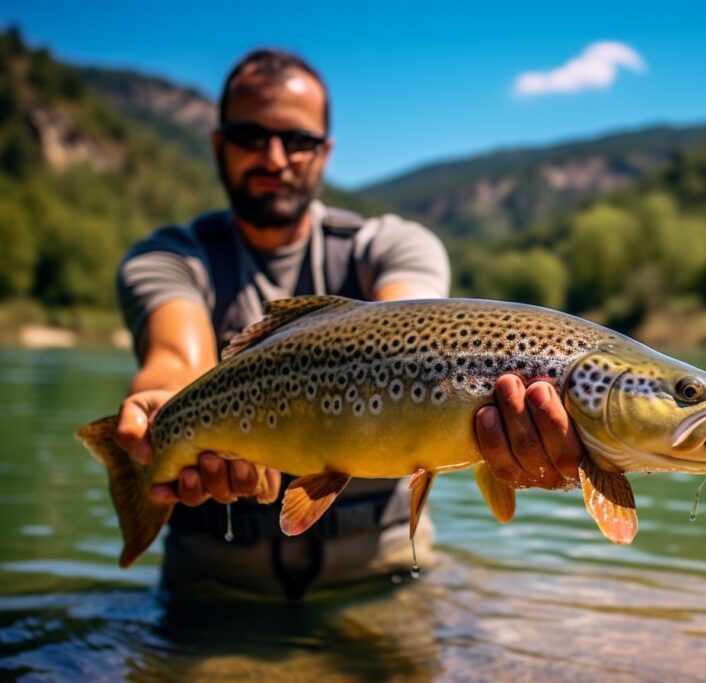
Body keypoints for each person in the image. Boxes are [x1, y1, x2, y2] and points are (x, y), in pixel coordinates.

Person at [114, 49, 584, 599]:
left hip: (380, 581)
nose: (274, 157)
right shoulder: (171, 258)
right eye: (250, 137)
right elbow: (177, 360)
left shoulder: (391, 245)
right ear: (219, 145)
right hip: (213, 589)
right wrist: (160, 413)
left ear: (326, 151)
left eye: (298, 140)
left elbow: (424, 328)